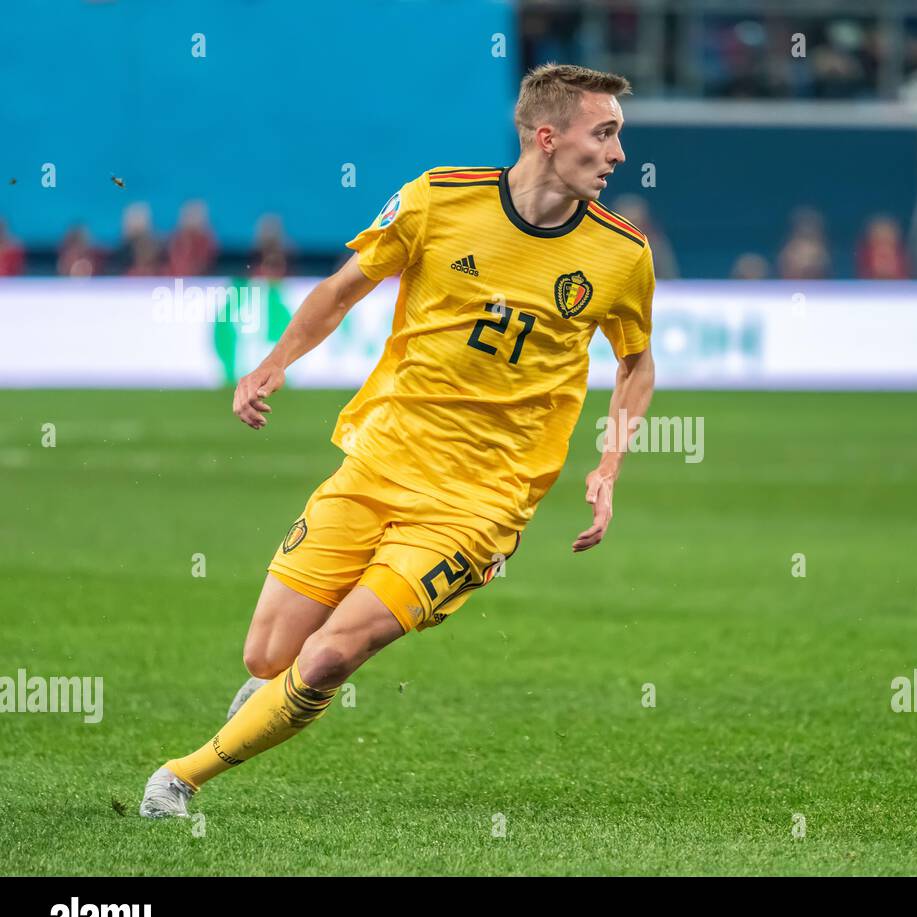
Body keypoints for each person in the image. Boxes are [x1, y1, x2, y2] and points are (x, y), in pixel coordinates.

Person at [140, 63, 657, 817]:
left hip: (480, 505)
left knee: (331, 654)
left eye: (619, 136)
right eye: (604, 133)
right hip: (379, 461)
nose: (618, 154)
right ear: (547, 137)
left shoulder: (621, 255)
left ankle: (179, 778)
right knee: (270, 655)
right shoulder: (437, 200)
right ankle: (272, 698)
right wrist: (274, 362)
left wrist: (609, 465)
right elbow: (344, 287)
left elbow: (636, 363)